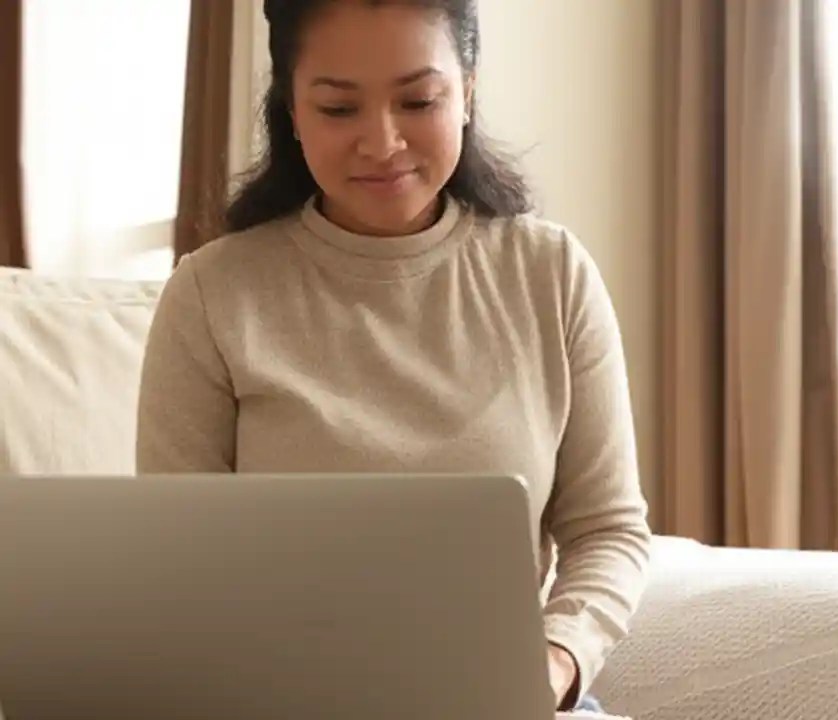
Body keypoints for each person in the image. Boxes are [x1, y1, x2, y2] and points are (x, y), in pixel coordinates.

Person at [135, 0, 651, 712]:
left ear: (466, 92)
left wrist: (556, 659)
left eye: (418, 101)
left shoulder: (551, 274)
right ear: (292, 110)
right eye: (339, 109)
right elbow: (177, 562)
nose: (382, 143)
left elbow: (608, 531)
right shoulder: (211, 295)